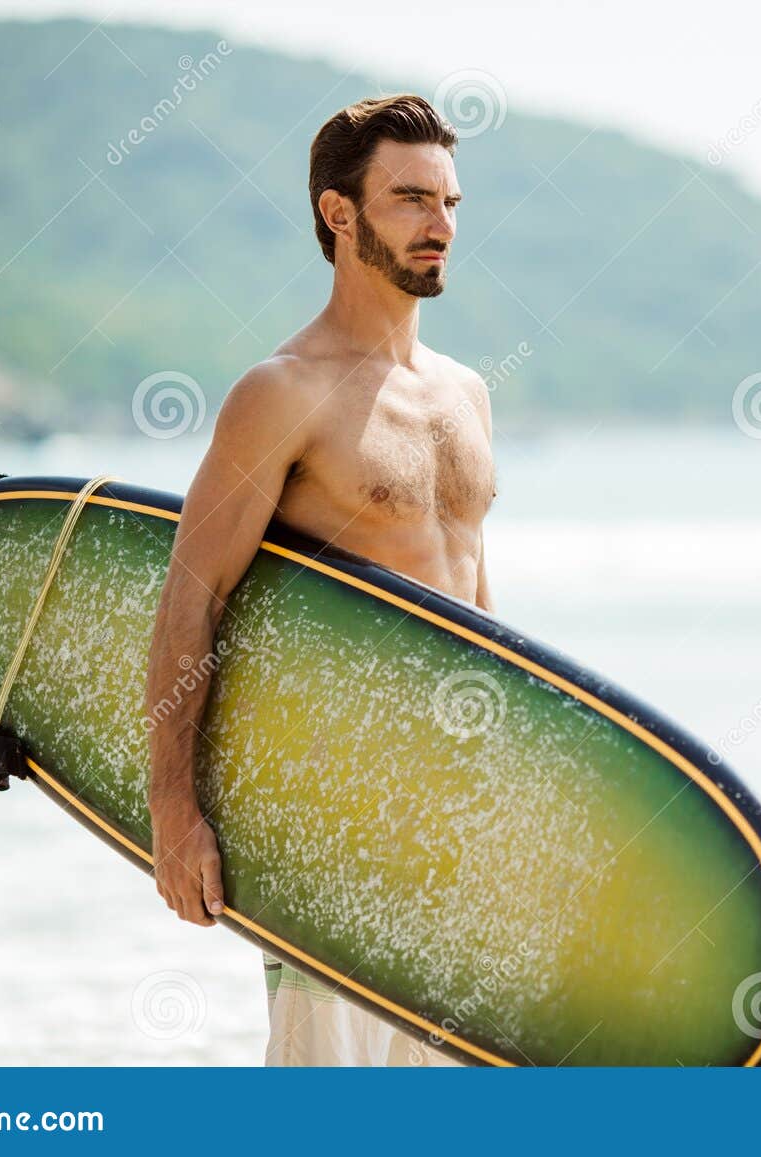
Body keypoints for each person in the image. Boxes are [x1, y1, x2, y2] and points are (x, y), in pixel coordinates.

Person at [143, 94, 493, 1067]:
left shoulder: (467, 395)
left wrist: (524, 795)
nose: (441, 226)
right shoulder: (282, 392)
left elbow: (477, 605)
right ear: (340, 216)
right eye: (410, 199)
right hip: (329, 811)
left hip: (457, 814)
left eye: (452, 201)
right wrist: (175, 808)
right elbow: (192, 595)